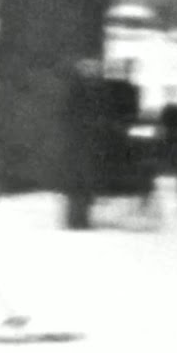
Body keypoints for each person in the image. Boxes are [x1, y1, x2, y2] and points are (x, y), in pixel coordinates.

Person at [63, 56, 107, 229]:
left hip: (86, 143)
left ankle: (81, 218)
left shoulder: (93, 91)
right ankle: (77, 219)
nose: (92, 74)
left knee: (84, 181)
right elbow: (71, 115)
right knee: (79, 181)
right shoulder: (78, 91)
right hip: (81, 143)